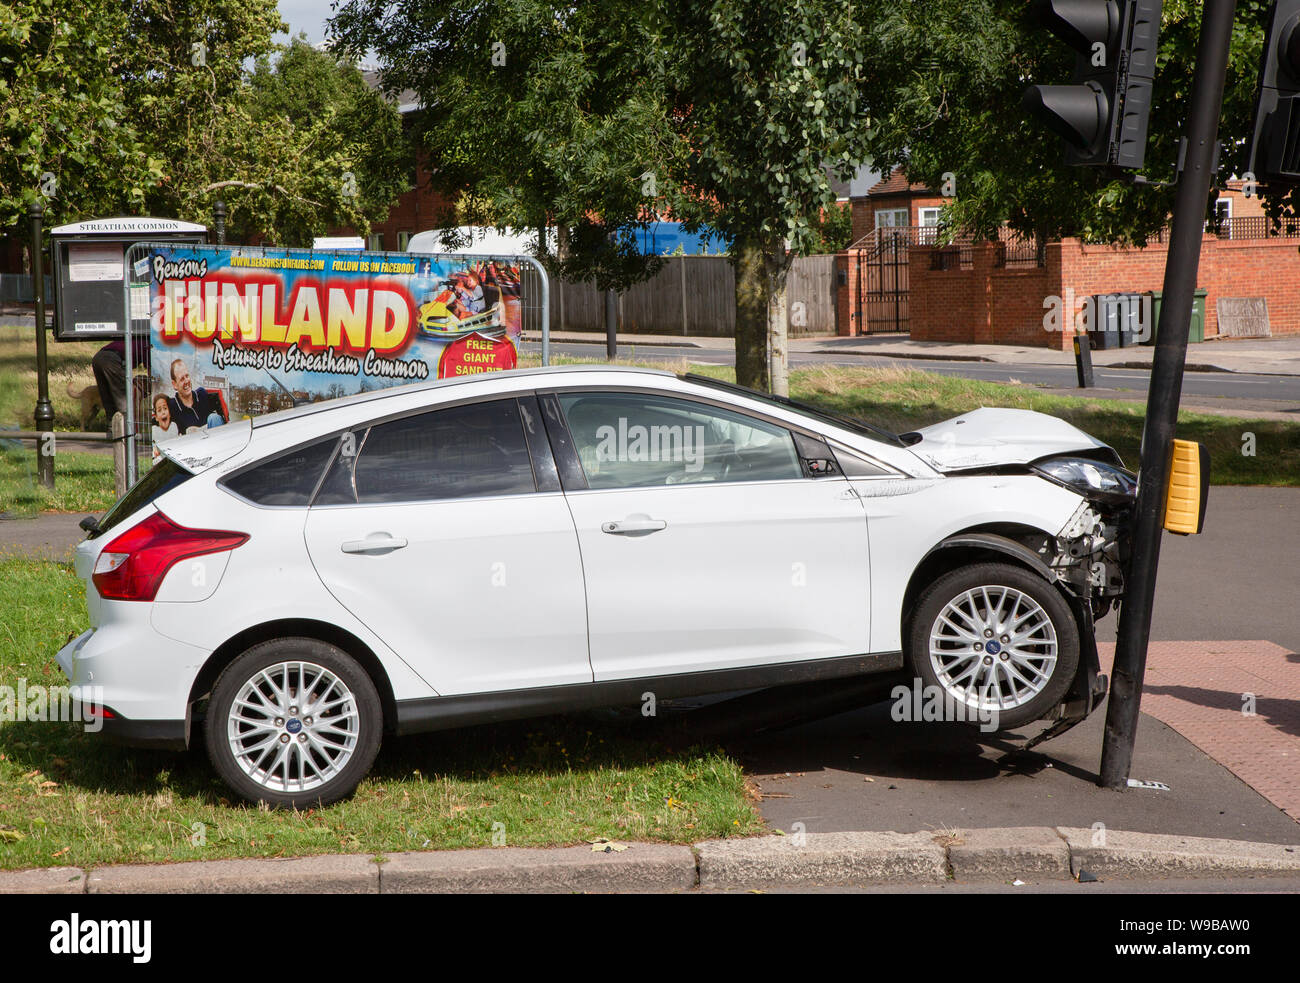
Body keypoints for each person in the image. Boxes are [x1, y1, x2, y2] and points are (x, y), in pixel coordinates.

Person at [90, 335, 150, 430]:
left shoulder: (133, 336)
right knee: (123, 398)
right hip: (112, 360)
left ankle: (112, 428)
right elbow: (150, 369)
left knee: (108, 397)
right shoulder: (147, 343)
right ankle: (127, 432)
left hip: (98, 357)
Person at [167, 359, 226, 434]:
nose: (186, 381)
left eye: (187, 376)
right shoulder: (171, 406)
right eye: (182, 379)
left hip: (214, 440)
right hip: (189, 444)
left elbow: (220, 419)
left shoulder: (202, 394)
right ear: (174, 384)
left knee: (214, 418)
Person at [150, 394, 178, 461]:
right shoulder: (154, 430)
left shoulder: (174, 427)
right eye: (159, 410)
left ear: (170, 414)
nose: (163, 412)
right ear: (156, 417)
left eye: (165, 408)